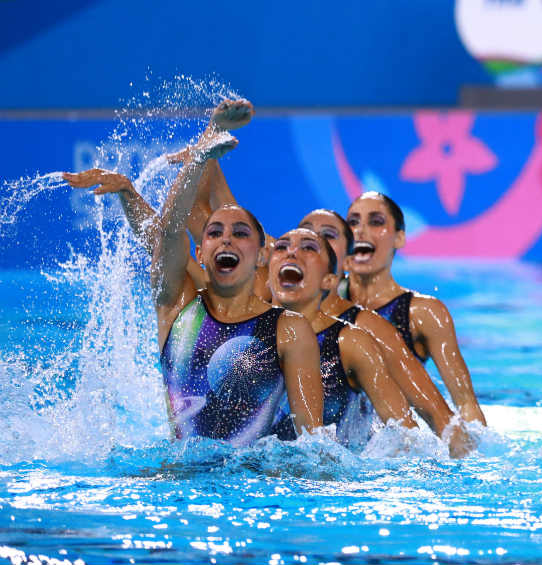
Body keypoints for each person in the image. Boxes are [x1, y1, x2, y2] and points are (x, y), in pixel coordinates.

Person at [81, 100, 473, 453]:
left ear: (335, 269)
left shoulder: (353, 336)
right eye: (286, 244)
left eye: (319, 242)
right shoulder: (248, 307)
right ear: (267, 258)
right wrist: (206, 145)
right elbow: (177, 235)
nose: (295, 252)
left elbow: (412, 427)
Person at [64, 134, 325, 447]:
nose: (226, 240)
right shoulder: (177, 306)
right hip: (177, 478)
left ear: (261, 256)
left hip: (255, 484)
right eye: (215, 233)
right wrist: (196, 161)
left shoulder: (290, 329)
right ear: (200, 254)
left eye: (240, 233)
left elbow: (313, 442)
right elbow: (169, 233)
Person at [266, 227, 425, 446]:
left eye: (308, 248)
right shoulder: (247, 334)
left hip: (327, 476)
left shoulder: (350, 343)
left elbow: (408, 437)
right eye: (281, 246)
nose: (291, 253)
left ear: (329, 281)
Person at [344, 192, 487, 426]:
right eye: (353, 222)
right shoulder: (321, 302)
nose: (360, 230)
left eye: (376, 222)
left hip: (393, 443)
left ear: (399, 238)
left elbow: (466, 403)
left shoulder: (422, 313)